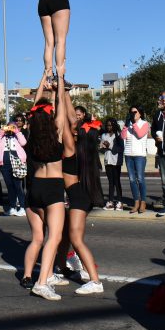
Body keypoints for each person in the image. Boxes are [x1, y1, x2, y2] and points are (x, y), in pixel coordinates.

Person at [20, 77, 71, 300]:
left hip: (35, 188)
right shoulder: (56, 131)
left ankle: (47, 276)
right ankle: (41, 282)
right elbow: (60, 104)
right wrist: (58, 82)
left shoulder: (32, 136)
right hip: (52, 189)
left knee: (42, 236)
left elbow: (35, 110)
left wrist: (43, 81)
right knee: (54, 237)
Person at [59, 88, 105, 294]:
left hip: (78, 196)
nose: (73, 125)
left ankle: (95, 280)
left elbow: (67, 118)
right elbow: (72, 118)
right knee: (66, 236)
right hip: (81, 194)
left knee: (75, 238)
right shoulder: (87, 152)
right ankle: (61, 267)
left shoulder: (71, 148)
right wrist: (66, 93)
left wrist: (62, 93)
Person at [121, 106, 150, 214]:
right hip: (128, 155)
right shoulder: (128, 124)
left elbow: (139, 134)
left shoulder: (145, 124)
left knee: (140, 179)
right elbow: (123, 137)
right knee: (132, 180)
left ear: (140, 113)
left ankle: (143, 202)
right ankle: (136, 202)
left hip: (139, 156)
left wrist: (133, 124)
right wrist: (125, 125)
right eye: (131, 112)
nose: (133, 114)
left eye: (135, 112)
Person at [0, 120, 27, 215]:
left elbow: (24, 143)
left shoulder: (18, 136)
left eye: (13, 127)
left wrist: (17, 131)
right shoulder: (3, 137)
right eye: (9, 126)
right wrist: (1, 133)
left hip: (17, 163)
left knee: (18, 186)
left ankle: (22, 207)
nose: (10, 128)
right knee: (10, 186)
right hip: (5, 164)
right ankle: (12, 207)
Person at [100, 118, 123, 210]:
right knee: (110, 182)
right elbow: (102, 150)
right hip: (107, 161)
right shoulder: (103, 135)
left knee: (116, 181)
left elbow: (121, 148)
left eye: (110, 125)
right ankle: (110, 201)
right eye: (107, 125)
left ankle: (119, 202)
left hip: (116, 161)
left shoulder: (118, 135)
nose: (109, 127)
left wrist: (110, 146)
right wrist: (102, 147)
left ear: (114, 125)